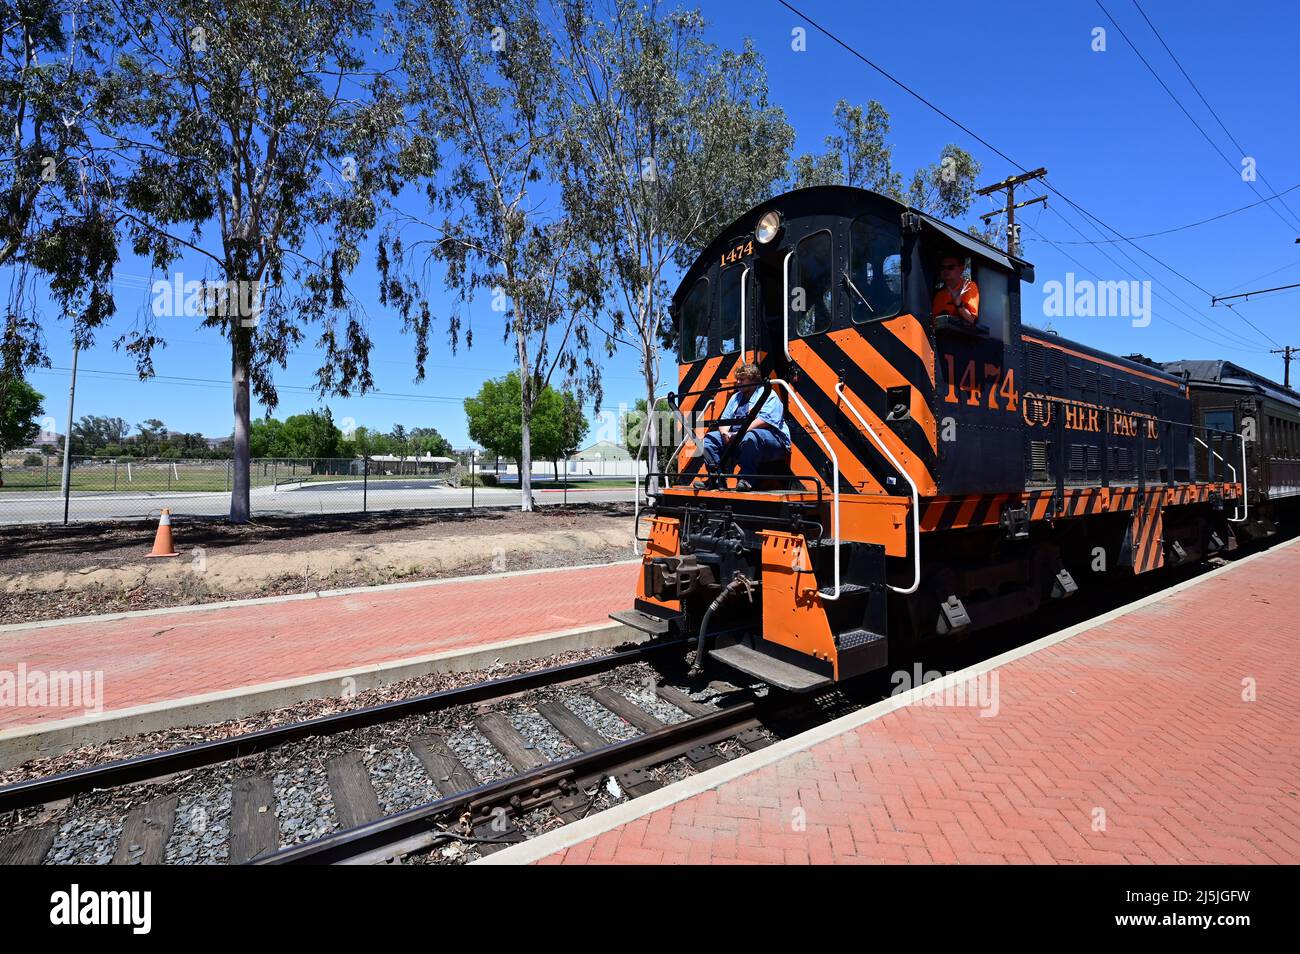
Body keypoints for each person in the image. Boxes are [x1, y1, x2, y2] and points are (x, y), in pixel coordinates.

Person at [695, 363, 790, 491]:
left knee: (749, 437)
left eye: (742, 379)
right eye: (737, 379)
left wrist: (737, 434)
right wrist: (724, 434)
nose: (738, 382)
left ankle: (747, 480)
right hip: (737, 437)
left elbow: (765, 421)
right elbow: (724, 420)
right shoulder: (735, 397)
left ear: (754, 379)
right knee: (709, 440)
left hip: (772, 439)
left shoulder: (768, 394)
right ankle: (716, 480)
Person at [932, 255, 979, 326]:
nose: (945, 270)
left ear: (961, 269)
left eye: (950, 267)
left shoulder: (968, 286)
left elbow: (971, 319)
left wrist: (958, 304)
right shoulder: (939, 294)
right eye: (942, 268)